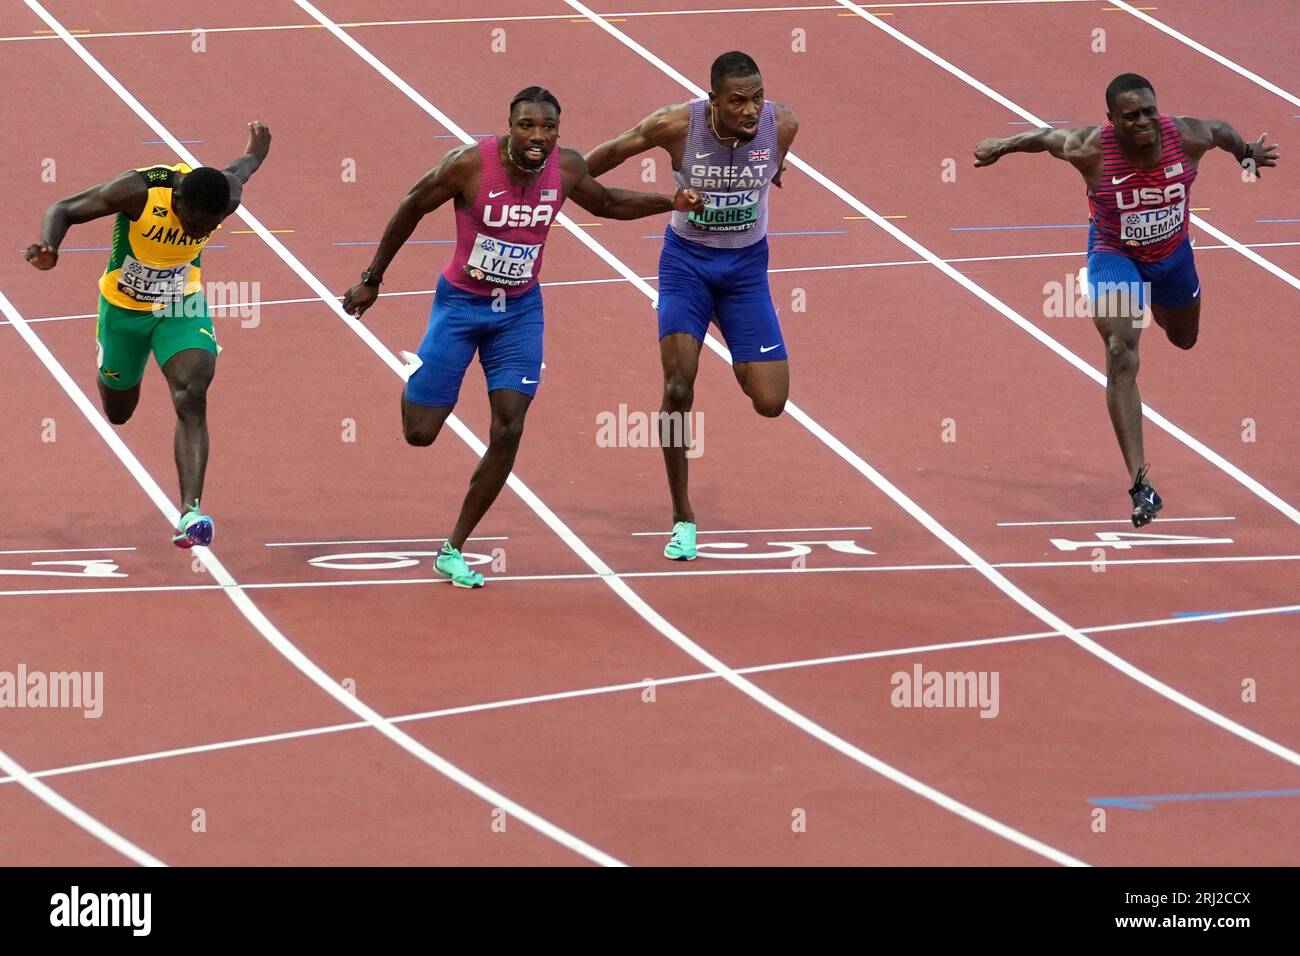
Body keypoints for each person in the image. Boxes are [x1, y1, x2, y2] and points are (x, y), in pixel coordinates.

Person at [341, 87, 701, 588]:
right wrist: (373, 277)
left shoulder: (568, 168)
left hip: (519, 313)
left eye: (548, 128)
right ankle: (425, 372)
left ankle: (454, 547)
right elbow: (412, 206)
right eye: (527, 126)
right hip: (461, 306)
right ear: (510, 125)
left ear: (558, 130)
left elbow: (609, 202)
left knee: (509, 427)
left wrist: (670, 201)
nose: (538, 137)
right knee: (419, 432)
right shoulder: (468, 164)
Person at [974, 74, 1278, 526]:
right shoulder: (1089, 148)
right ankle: (1140, 485)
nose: (1143, 122)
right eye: (1131, 116)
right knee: (1120, 354)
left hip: (1173, 257)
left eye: (1149, 112)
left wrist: (1247, 154)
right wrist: (1002, 144)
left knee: (1184, 338)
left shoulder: (1189, 136)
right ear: (1112, 120)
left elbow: (1223, 132)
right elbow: (1043, 138)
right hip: (1114, 255)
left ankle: (1157, 302)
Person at [584, 52, 799, 561]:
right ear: (713, 100)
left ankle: (735, 337)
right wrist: (551, 185)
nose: (750, 111)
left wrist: (772, 170)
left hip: (746, 271)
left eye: (757, 98)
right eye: (738, 101)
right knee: (679, 386)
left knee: (770, 402)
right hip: (687, 267)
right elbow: (601, 158)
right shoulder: (675, 124)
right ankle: (682, 515)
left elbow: (774, 163)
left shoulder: (783, 124)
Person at [25, 122, 273, 547]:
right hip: (123, 310)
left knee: (192, 393)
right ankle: (111, 369)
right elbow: (64, 208)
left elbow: (244, 166)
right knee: (119, 412)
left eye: (207, 228)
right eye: (194, 224)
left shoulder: (225, 196)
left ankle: (190, 512)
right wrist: (49, 247)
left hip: (182, 303)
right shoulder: (138, 191)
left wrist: (257, 146)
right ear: (177, 200)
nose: (198, 234)